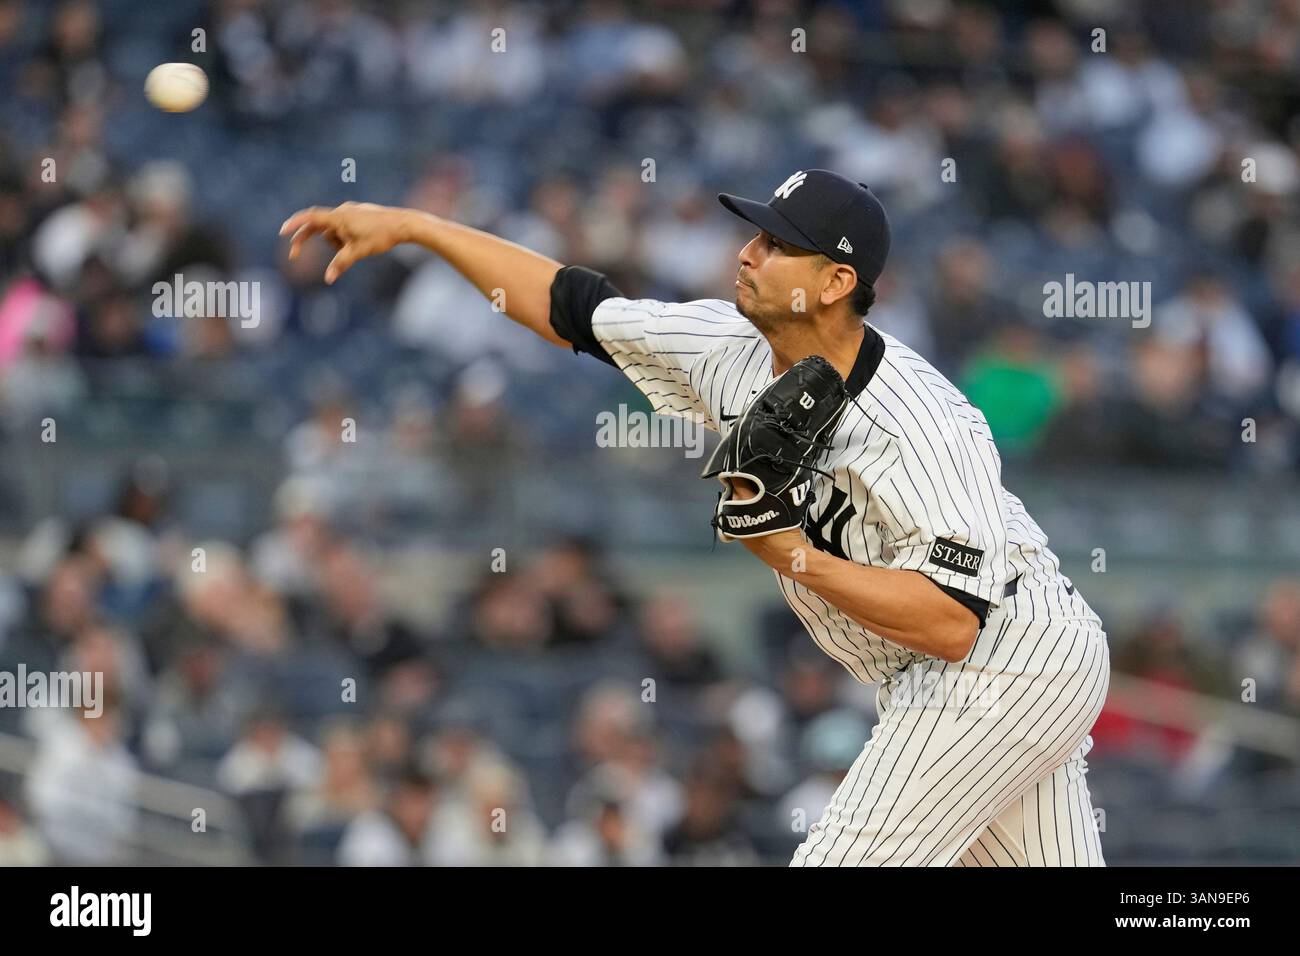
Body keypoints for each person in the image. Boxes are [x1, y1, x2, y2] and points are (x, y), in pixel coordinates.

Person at [278, 167, 1111, 867]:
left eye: (778, 243)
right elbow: (572, 306)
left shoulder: (919, 423)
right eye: (755, 232)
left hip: (1007, 656)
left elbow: (955, 621)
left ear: (836, 281)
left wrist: (795, 557)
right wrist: (420, 227)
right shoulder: (726, 346)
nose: (748, 251)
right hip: (944, 670)